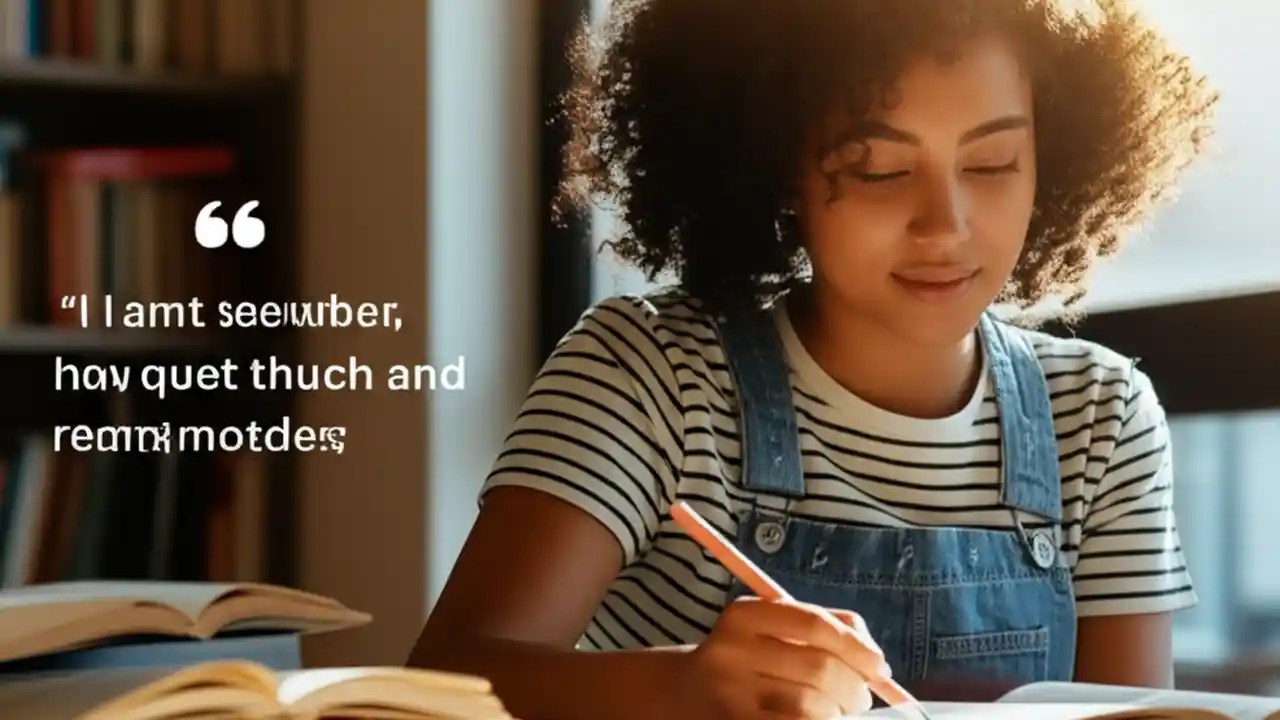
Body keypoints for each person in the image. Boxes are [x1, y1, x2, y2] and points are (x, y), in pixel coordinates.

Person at [409, 1, 1218, 718]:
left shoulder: (1104, 418)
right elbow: (434, 688)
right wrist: (678, 692)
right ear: (780, 165)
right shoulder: (648, 371)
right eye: (880, 169)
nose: (946, 224)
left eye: (992, 163)